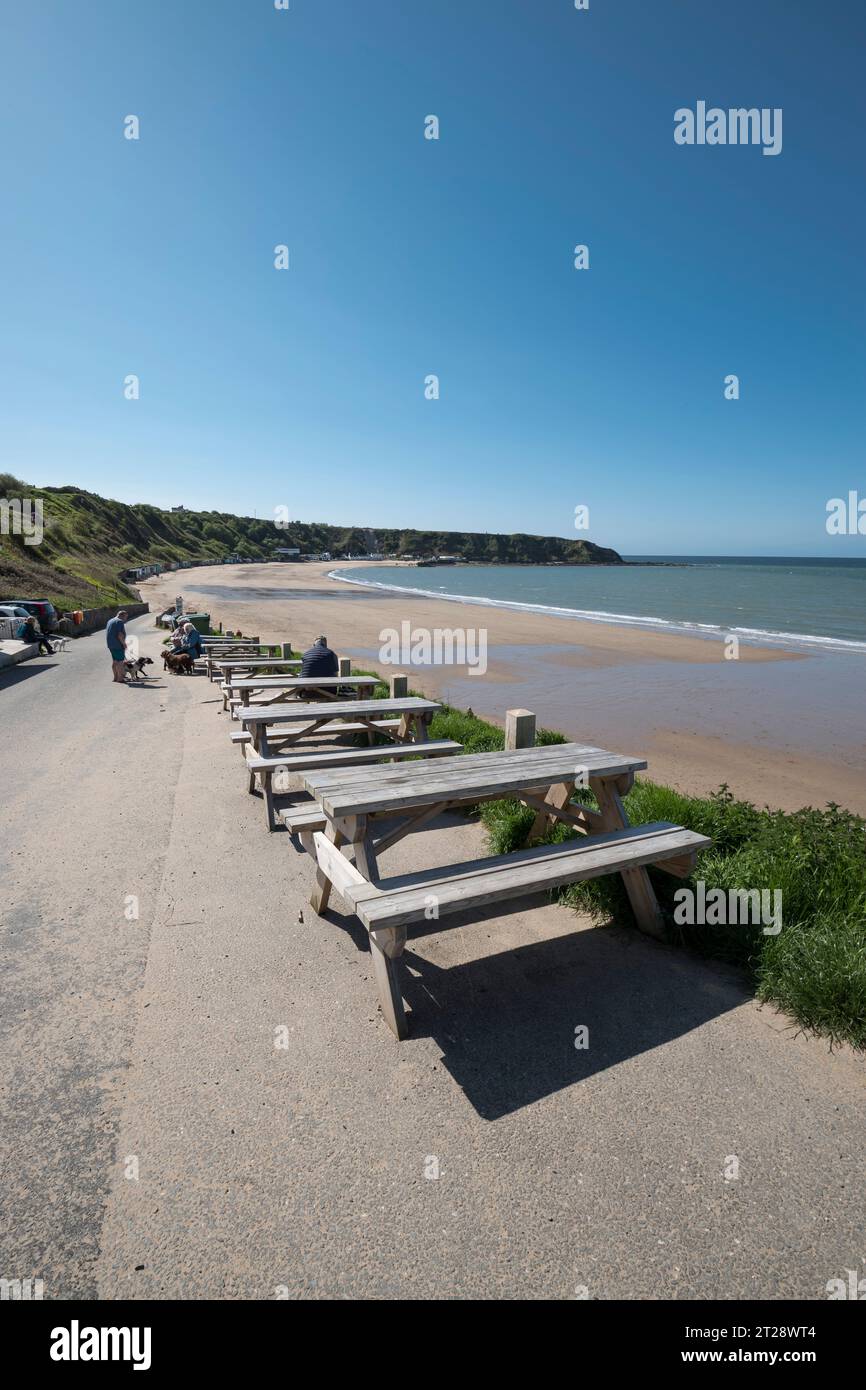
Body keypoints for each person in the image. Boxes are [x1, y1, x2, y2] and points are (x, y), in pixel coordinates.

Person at [105, 609, 129, 683]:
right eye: (126, 617)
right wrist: (124, 644)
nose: (126, 619)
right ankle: (120, 679)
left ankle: (115, 677)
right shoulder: (119, 621)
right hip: (117, 645)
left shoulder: (110, 620)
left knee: (115, 661)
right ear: (122, 615)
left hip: (110, 644)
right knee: (120, 662)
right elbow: (120, 635)